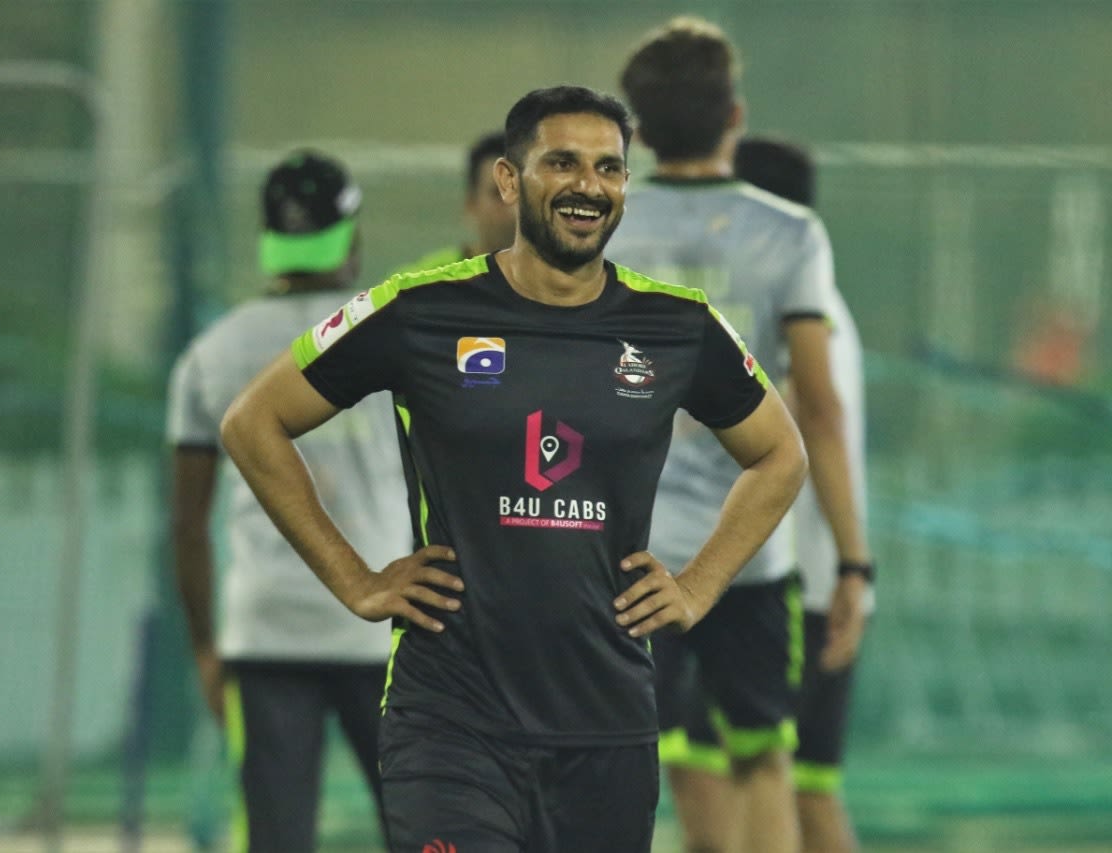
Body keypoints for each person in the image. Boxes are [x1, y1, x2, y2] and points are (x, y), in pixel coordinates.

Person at [218, 85, 809, 853]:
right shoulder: (418, 310)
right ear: (508, 180)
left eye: (608, 168)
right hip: (450, 722)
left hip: (608, 724)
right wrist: (355, 579)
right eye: (562, 162)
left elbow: (781, 453)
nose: (588, 185)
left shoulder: (678, 324)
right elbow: (253, 423)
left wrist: (698, 586)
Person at [608, 18, 873, 853]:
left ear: (640, 130)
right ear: (734, 115)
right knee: (763, 758)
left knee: (606, 758)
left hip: (622, 546)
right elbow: (819, 409)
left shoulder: (605, 225)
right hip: (752, 549)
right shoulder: (789, 233)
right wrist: (854, 561)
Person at [167, 150, 410, 852]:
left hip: (265, 629)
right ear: (351, 236)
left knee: (275, 837)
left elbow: (186, 523)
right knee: (424, 827)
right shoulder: (386, 334)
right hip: (382, 628)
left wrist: (205, 645)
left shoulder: (212, 353)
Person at [737, 135, 872, 853]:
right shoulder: (823, 304)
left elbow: (813, 419)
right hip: (815, 582)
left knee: (761, 780)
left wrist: (852, 563)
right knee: (808, 790)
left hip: (794, 588)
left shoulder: (796, 313)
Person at [393, 130, 516, 274]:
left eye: (523, 193)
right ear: (471, 205)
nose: (514, 210)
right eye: (499, 194)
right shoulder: (424, 283)